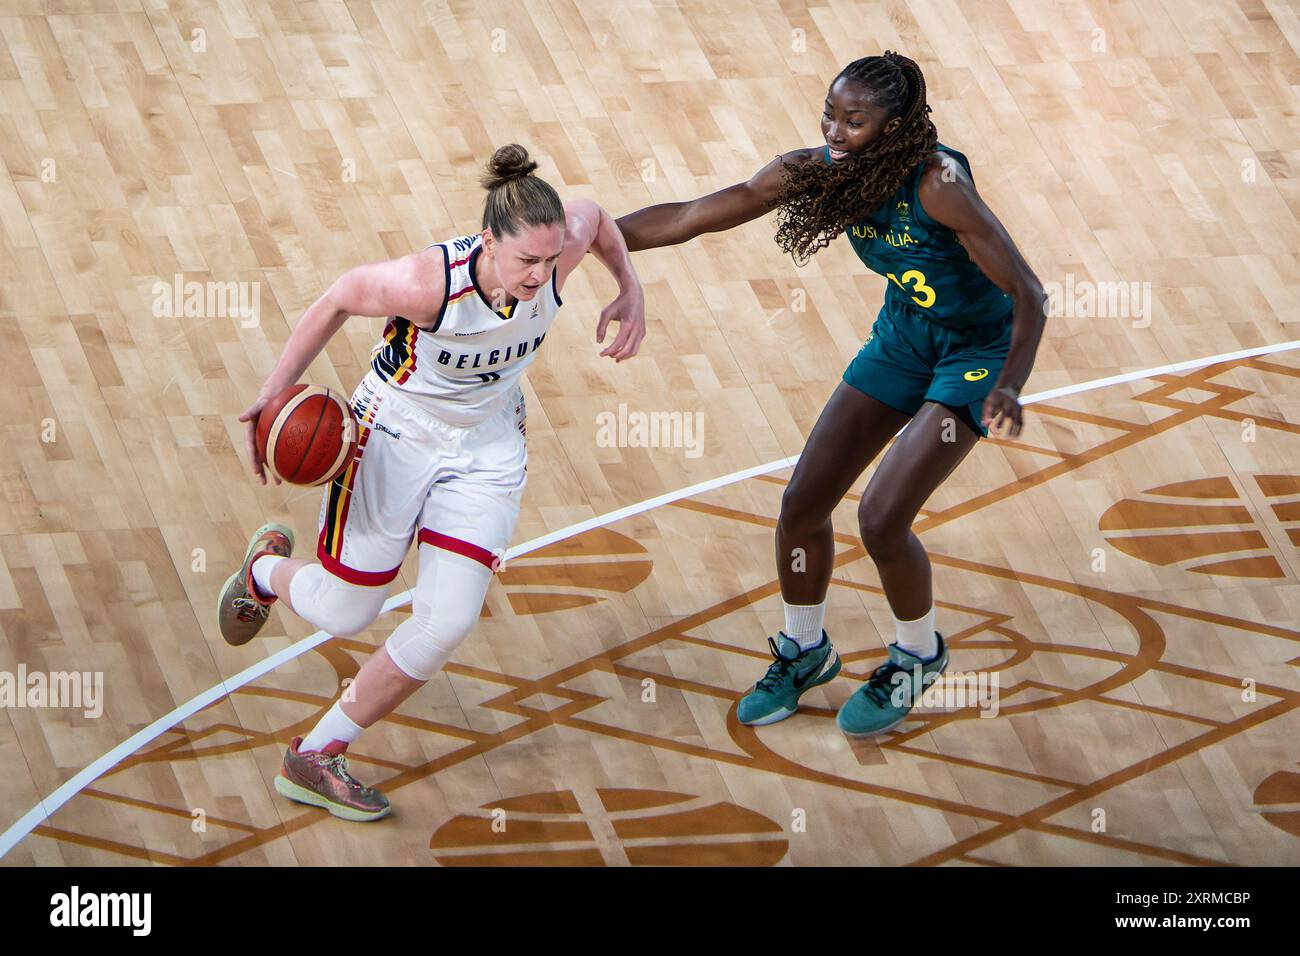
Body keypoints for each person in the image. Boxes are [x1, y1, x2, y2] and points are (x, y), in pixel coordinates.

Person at [617, 52, 1046, 735]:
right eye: (831, 115)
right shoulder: (816, 169)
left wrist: (1012, 385)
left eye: (855, 121)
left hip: (976, 354)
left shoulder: (940, 186)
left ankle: (917, 655)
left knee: (881, 517)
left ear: (896, 128)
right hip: (904, 337)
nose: (836, 132)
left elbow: (1029, 293)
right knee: (802, 503)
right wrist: (591, 242)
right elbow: (698, 213)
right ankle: (804, 649)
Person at [219, 144, 646, 820]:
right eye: (525, 262)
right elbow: (337, 298)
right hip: (396, 434)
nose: (541, 276)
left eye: (549, 259)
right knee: (346, 612)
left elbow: (594, 218)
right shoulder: (426, 284)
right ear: (488, 243)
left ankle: (316, 754)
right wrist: (270, 398)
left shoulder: (566, 242)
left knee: (446, 620)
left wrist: (630, 286)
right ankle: (265, 573)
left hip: (487, 445)